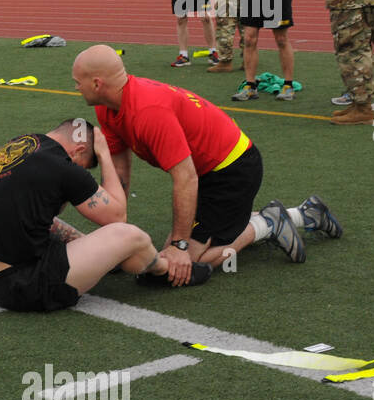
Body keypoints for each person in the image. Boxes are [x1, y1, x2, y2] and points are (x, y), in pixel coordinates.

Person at [71, 45, 343, 285]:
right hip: (206, 172)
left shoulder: (148, 111)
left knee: (178, 268)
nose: (75, 87)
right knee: (160, 263)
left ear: (97, 84)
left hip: (233, 170)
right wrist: (114, 236)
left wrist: (179, 245)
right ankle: (304, 214)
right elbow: (120, 172)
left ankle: (267, 222)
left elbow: (186, 178)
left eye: (78, 81)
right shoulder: (106, 106)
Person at [0, 119, 198, 314]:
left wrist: (96, 251)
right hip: (24, 286)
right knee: (131, 236)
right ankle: (163, 270)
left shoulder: (20, 145)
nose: (83, 172)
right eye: (85, 167)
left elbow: (40, 218)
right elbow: (117, 216)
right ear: (78, 150)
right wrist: (105, 154)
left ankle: (120, 262)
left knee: (41, 219)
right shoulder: (62, 165)